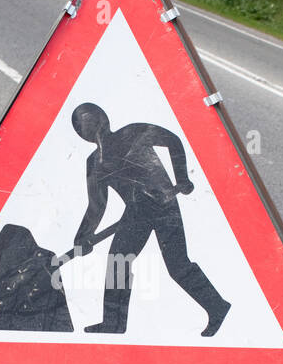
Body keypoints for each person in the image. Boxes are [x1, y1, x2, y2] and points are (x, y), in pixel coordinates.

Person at [71, 102, 230, 336]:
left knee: (177, 265)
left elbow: (173, 140)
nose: (90, 125)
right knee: (117, 262)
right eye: (83, 124)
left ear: (104, 117)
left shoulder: (133, 132)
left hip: (164, 202)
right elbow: (97, 205)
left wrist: (182, 176)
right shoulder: (94, 162)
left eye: (92, 118)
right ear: (81, 134)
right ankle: (113, 323)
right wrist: (82, 237)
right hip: (136, 213)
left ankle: (218, 307)